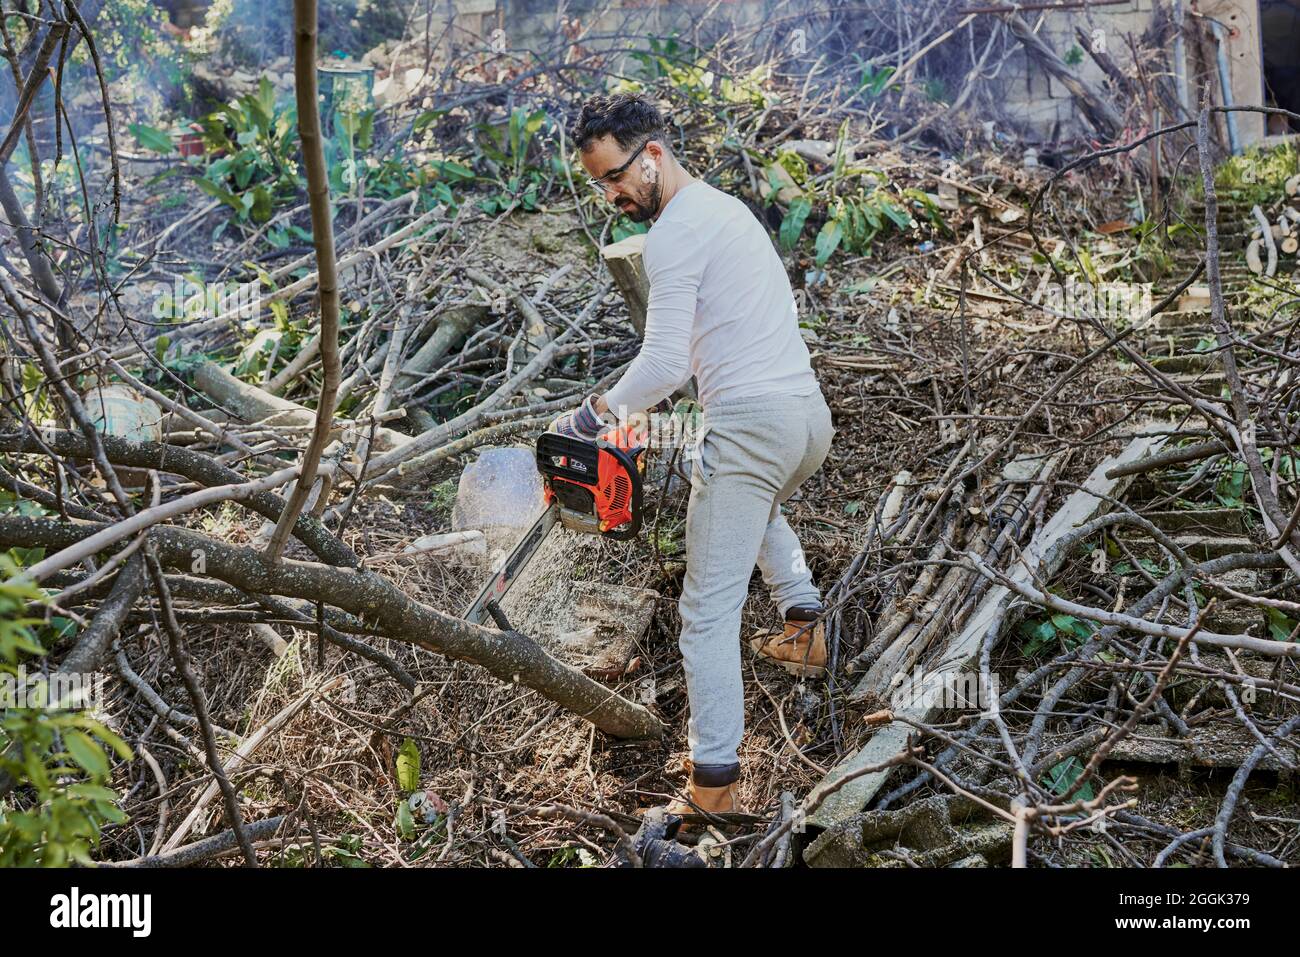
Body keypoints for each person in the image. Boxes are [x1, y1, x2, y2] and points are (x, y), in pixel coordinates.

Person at [551, 92, 836, 817]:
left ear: (652, 155)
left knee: (706, 614)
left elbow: (664, 365)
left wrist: (596, 411)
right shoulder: (726, 209)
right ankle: (803, 623)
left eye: (615, 175)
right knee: (748, 498)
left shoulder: (675, 232)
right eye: (597, 182)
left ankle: (714, 787)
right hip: (805, 419)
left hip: (753, 425)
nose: (610, 193)